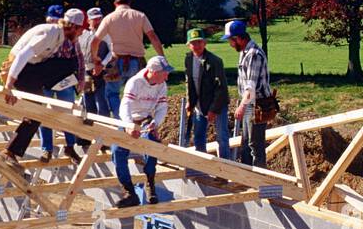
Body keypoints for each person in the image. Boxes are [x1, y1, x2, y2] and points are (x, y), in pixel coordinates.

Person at [2, 8, 85, 163]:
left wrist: (79, 79)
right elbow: (22, 56)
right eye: (80, 30)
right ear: (73, 27)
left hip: (30, 70)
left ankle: (10, 151)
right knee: (37, 112)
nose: (81, 34)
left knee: (67, 65)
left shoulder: (59, 36)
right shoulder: (50, 33)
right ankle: (10, 151)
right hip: (19, 69)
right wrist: (9, 86)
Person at [91, 0, 165, 118]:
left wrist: (96, 60)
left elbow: (95, 41)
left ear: (115, 3)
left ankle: (122, 122)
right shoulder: (140, 16)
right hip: (137, 62)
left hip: (116, 62)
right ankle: (135, 122)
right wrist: (162, 58)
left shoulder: (109, 18)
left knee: (112, 94)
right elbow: (153, 37)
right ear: (129, 2)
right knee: (137, 95)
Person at [111, 55, 173, 208]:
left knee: (152, 148)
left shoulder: (161, 85)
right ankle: (129, 192)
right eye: (164, 73)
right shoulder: (135, 82)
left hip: (146, 120)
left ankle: (150, 184)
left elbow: (162, 107)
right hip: (129, 120)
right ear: (154, 72)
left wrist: (155, 123)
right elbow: (125, 105)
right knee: (117, 151)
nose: (167, 76)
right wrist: (128, 125)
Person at [224, 19, 271, 168]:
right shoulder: (244, 53)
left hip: (257, 105)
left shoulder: (253, 55)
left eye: (230, 41)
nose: (230, 44)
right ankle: (246, 176)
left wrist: (242, 106)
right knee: (246, 144)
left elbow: (251, 87)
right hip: (250, 103)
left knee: (255, 145)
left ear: (238, 38)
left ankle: (259, 177)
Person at [38, 6, 83, 164]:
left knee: (68, 112)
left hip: (64, 78)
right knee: (44, 113)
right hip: (46, 77)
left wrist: (81, 79)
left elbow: (79, 58)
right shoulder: (46, 35)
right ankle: (47, 148)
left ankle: (70, 146)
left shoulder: (71, 39)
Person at [184, 28, 231, 161]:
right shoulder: (188, 59)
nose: (197, 45)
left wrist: (213, 109)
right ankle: (202, 167)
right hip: (200, 105)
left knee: (222, 137)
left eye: (199, 42)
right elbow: (189, 82)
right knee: (199, 137)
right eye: (193, 43)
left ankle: (225, 167)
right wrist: (189, 101)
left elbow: (221, 88)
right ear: (188, 45)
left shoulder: (215, 61)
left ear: (205, 43)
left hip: (217, 104)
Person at [80, 7, 112, 118]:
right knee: (87, 98)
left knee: (101, 99)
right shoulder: (82, 33)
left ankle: (104, 123)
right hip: (86, 70)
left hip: (102, 71)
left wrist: (102, 64)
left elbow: (112, 51)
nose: (97, 21)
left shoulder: (106, 33)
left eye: (99, 18)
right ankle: (90, 123)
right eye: (95, 19)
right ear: (88, 20)